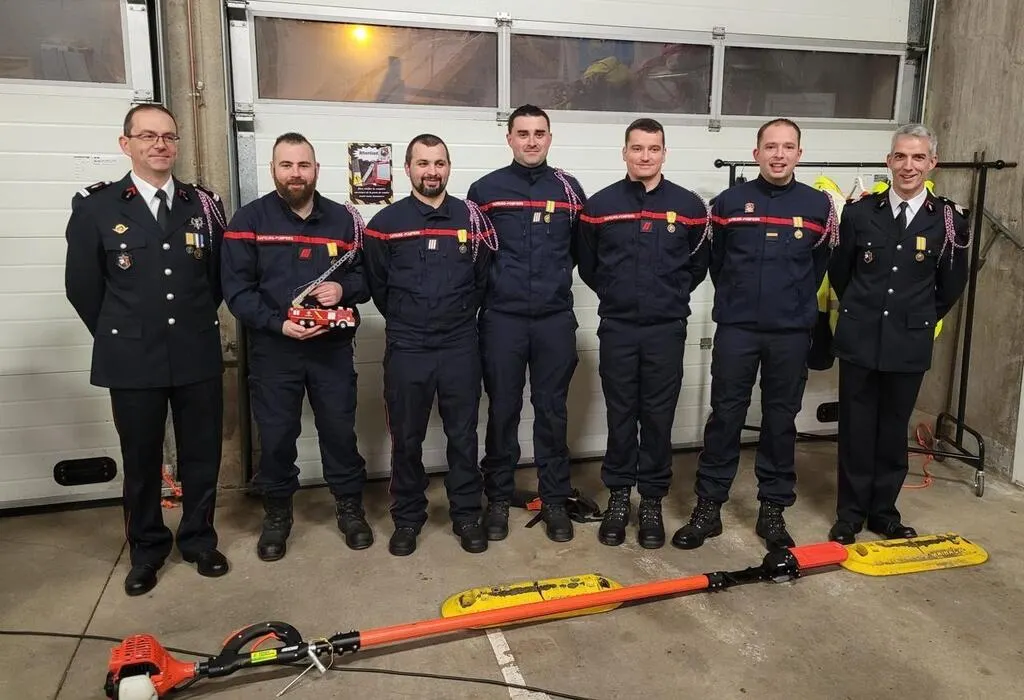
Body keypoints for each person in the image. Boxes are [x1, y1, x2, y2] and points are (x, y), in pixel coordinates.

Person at [64, 104, 229, 596]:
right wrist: (124, 331)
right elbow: (83, 287)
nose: (160, 145)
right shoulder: (97, 206)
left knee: (202, 455)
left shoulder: (203, 204)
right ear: (126, 144)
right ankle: (148, 549)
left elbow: (216, 279)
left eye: (168, 137)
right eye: (148, 136)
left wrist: (189, 324)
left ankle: (199, 540)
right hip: (131, 358)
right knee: (140, 460)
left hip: (196, 352)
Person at [671, 118, 838, 552]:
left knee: (780, 421)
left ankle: (773, 510)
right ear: (756, 152)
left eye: (787, 147)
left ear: (800, 154)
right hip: (739, 329)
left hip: (790, 332)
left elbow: (819, 266)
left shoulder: (820, 207)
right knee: (725, 416)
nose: (779, 154)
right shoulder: (728, 203)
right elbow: (717, 263)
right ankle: (708, 508)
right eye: (770, 146)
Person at [221, 133, 372, 561]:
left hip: (332, 350)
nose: (295, 174)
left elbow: (366, 278)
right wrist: (278, 324)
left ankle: (349, 507)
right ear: (273, 170)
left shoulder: (345, 221)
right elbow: (236, 291)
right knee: (276, 438)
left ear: (317, 170)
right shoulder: (248, 221)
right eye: (286, 165)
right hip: (276, 350)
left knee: (340, 433)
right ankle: (277, 514)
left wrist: (342, 286)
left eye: (303, 165)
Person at [826, 124, 969, 544]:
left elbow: (950, 286)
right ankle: (850, 514)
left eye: (918, 157)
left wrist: (916, 317)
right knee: (855, 428)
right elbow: (840, 272)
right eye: (901, 157)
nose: (909, 166)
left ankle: (883, 513)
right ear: (888, 161)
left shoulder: (949, 219)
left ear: (932, 163)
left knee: (892, 429)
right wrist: (865, 310)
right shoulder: (857, 212)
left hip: (909, 341)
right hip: (860, 337)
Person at [577, 118, 710, 549]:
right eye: (637, 148)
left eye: (653, 148)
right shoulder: (599, 206)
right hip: (618, 328)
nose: (645, 156)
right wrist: (620, 295)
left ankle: (650, 500)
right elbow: (589, 265)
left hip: (665, 330)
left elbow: (696, 265)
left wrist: (665, 296)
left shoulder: (689, 207)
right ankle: (619, 497)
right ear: (625, 152)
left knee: (657, 417)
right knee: (620, 415)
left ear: (664, 153)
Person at [363, 134, 498, 556]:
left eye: (439, 163)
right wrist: (408, 317)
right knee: (407, 437)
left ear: (449, 167)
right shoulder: (384, 224)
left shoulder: (472, 220)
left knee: (463, 435)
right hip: (407, 346)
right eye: (422, 163)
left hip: (460, 344)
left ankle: (466, 515)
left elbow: (482, 280)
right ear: (408, 169)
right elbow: (377, 286)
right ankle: (407, 518)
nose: (431, 171)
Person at [466, 105, 586, 543]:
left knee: (552, 412)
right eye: (523, 133)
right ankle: (497, 498)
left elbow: (582, 252)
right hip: (502, 320)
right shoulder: (485, 191)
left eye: (539, 133)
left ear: (550, 137)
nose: (531, 141)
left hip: (554, 319)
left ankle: (554, 499)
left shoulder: (570, 190)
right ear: (509, 138)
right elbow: (476, 257)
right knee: (503, 411)